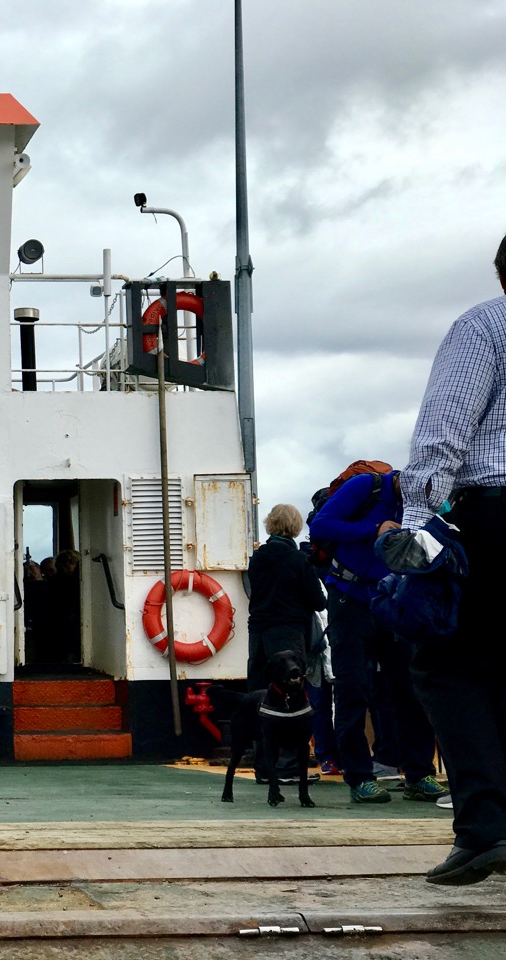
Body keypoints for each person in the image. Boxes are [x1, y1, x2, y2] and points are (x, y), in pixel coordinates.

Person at [399, 232, 506, 884]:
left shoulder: (484, 327)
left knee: (449, 668)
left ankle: (485, 829)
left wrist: (418, 535)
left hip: (492, 515)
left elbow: (443, 432)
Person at [309, 469, 446, 805]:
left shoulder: (424, 502)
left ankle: (419, 773)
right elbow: (320, 526)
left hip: (393, 599)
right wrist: (373, 529)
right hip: (349, 597)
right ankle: (359, 776)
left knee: (409, 685)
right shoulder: (364, 487)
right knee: (353, 685)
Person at [245, 504, 326, 782]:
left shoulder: (257, 558)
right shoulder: (297, 559)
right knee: (291, 699)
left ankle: (264, 769)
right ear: (295, 526)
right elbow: (318, 600)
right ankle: (289, 767)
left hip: (257, 633)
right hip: (288, 635)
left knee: (261, 698)